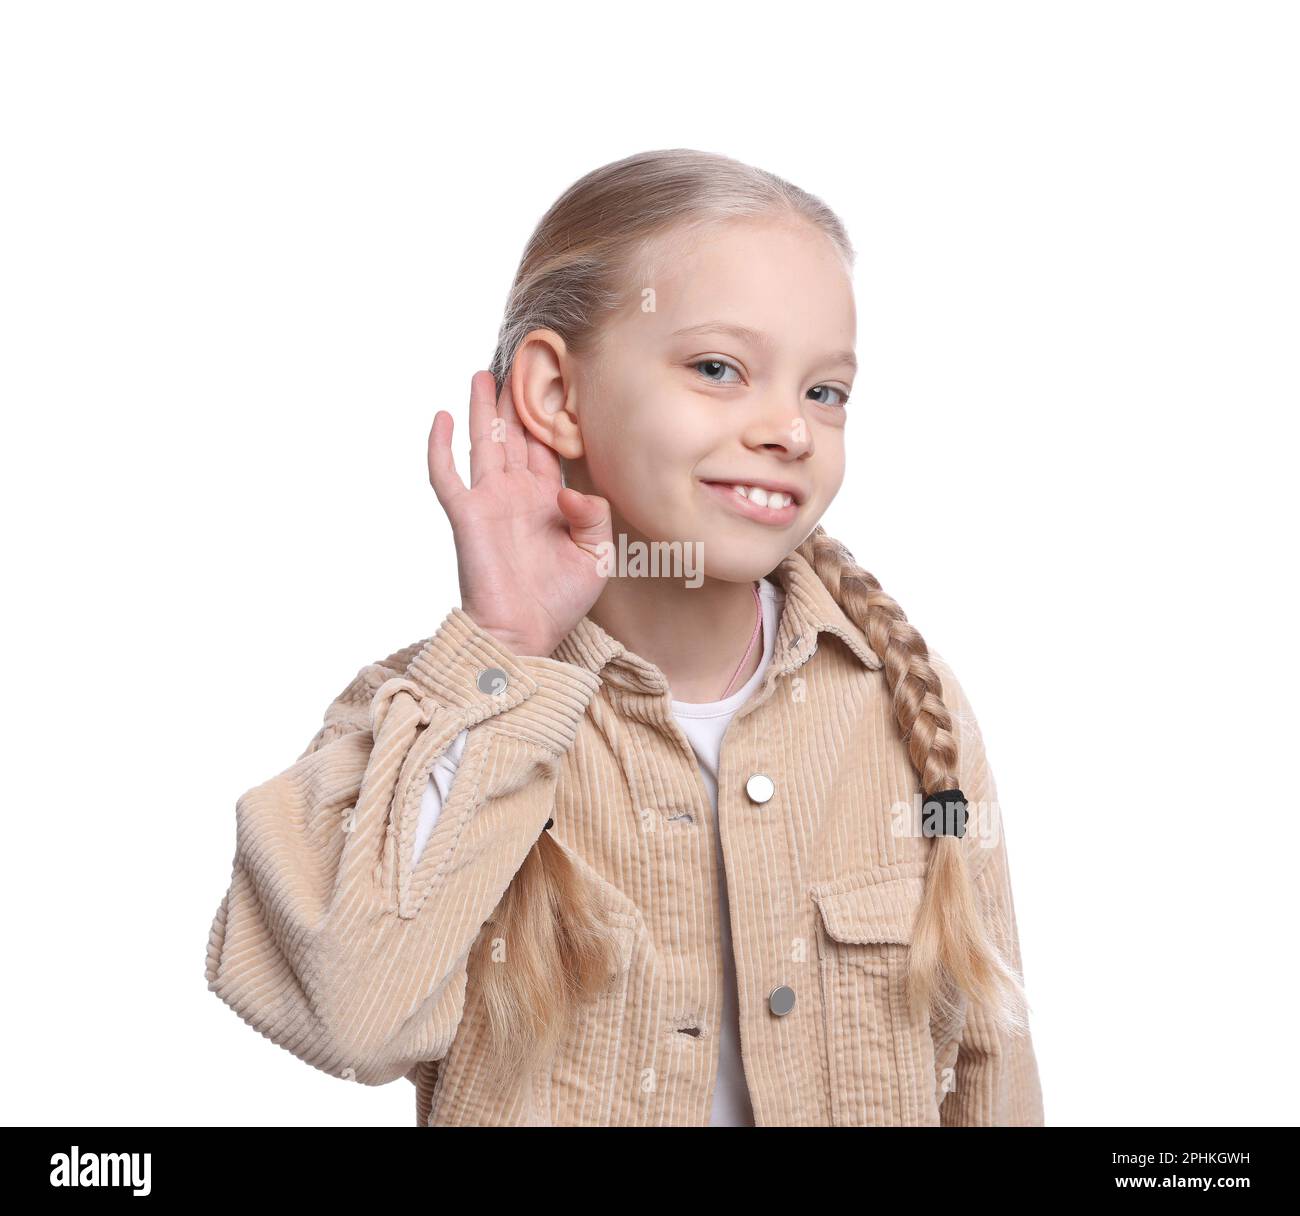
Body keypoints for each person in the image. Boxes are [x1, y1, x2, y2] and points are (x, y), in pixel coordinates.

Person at [204, 147, 1044, 1127]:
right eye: (718, 368)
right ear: (556, 394)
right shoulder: (430, 718)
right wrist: (505, 645)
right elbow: (348, 1016)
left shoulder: (912, 706)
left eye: (826, 391)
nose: (790, 428)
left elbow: (992, 1060)